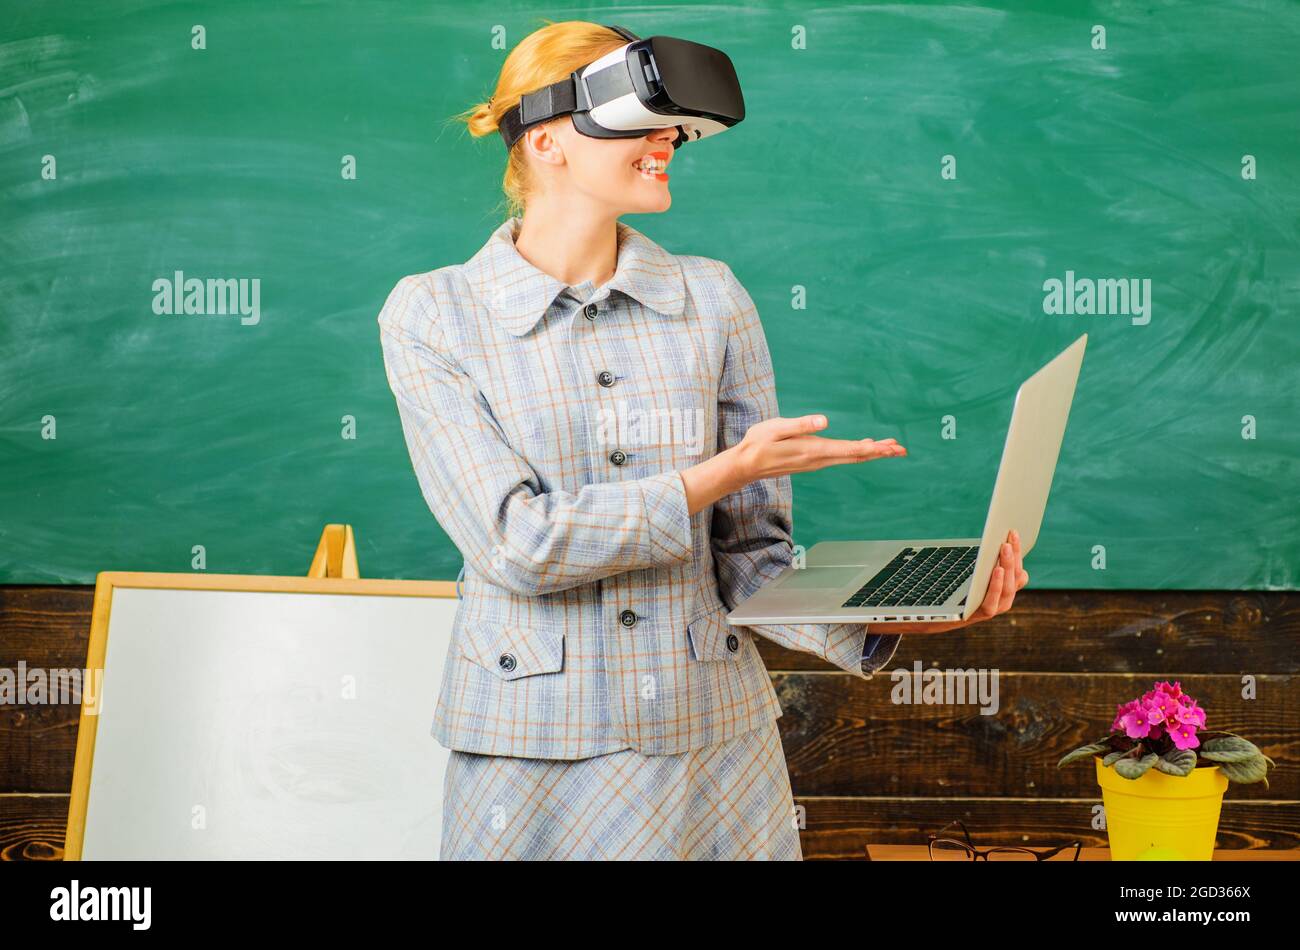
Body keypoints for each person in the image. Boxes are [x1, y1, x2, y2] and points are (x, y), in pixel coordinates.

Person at [376, 20, 1027, 860]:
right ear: (546, 143)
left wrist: (897, 615)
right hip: (530, 752)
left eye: (673, 127)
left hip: (714, 747)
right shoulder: (433, 315)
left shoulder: (712, 299)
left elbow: (752, 560)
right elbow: (516, 543)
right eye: (644, 123)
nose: (669, 141)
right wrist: (713, 476)